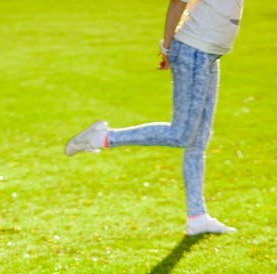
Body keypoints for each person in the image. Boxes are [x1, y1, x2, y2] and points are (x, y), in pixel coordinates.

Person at [64, 0, 244, 236]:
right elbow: (177, 2)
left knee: (198, 139)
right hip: (194, 50)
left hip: (210, 54)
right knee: (182, 134)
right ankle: (101, 138)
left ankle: (197, 217)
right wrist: (167, 47)